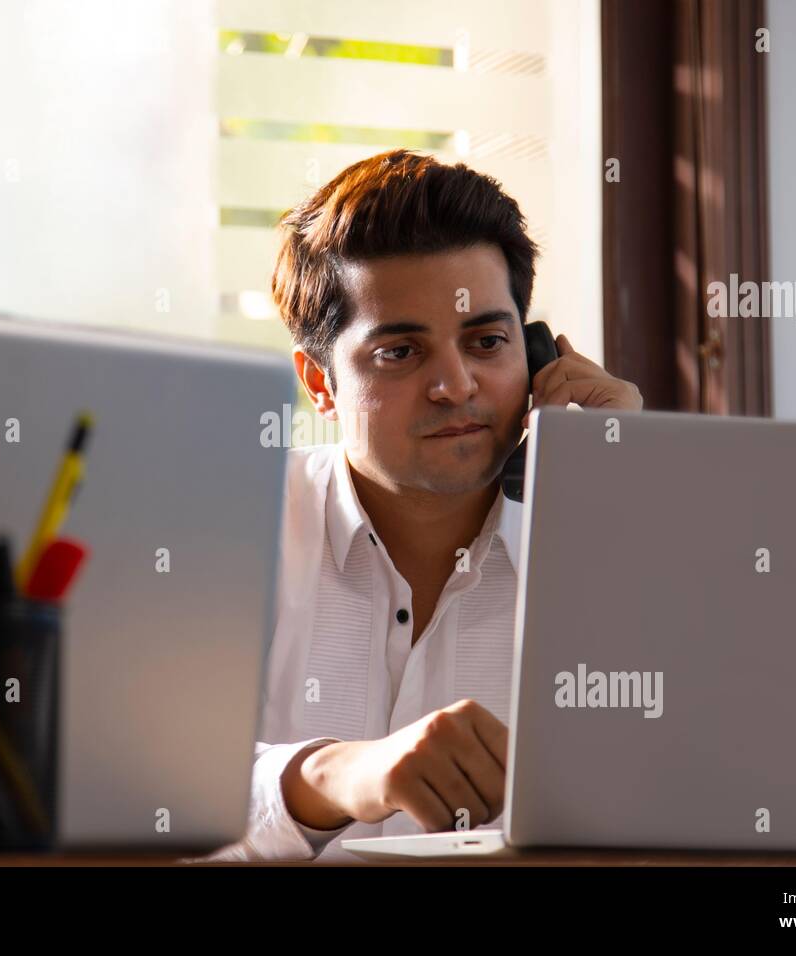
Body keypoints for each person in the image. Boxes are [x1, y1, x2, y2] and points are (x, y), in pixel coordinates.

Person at [201, 149, 642, 862]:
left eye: (487, 341)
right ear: (318, 382)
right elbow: (158, 803)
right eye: (401, 352)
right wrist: (335, 774)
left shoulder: (605, 538)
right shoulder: (231, 529)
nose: (456, 384)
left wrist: (634, 497)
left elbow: (704, 781)